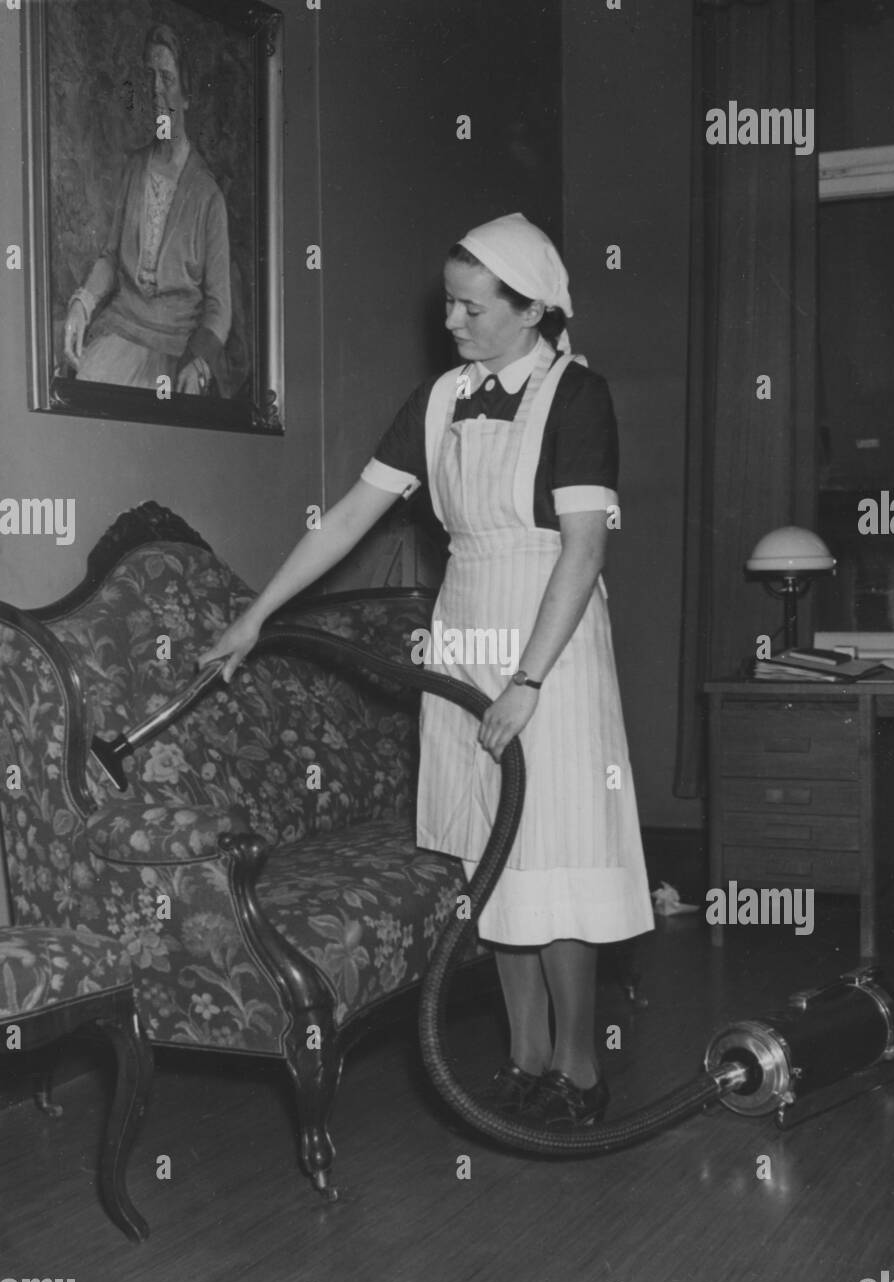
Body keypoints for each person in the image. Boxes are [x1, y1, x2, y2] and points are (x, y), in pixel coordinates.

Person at [201, 213, 654, 1130]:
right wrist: (255, 616)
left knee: (554, 853)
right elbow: (345, 520)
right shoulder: (440, 398)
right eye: (448, 301)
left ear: (530, 313)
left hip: (548, 638)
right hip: (464, 626)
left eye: (470, 305)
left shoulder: (577, 396)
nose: (450, 320)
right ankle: (524, 1058)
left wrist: (527, 682)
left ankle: (578, 1067)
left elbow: (581, 552)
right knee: (489, 857)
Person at [62, 23, 232, 396]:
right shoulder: (134, 169)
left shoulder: (208, 197)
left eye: (167, 78)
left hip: (177, 346)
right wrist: (82, 304)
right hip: (124, 328)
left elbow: (220, 307)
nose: (156, 90)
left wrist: (200, 362)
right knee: (88, 386)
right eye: (149, 76)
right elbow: (110, 259)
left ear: (186, 95)